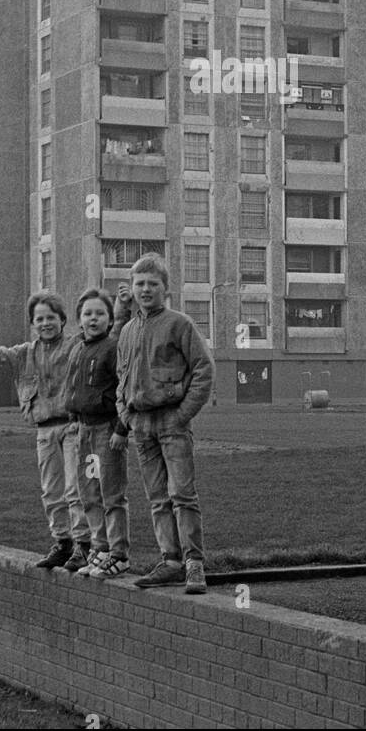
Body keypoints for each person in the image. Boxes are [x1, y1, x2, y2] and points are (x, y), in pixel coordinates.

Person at [0, 292, 91, 571]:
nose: (45, 323)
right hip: (44, 432)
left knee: (75, 488)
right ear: (32, 323)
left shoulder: (76, 346)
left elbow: (106, 339)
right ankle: (62, 542)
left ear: (62, 319)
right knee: (51, 491)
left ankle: (84, 544)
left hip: (73, 428)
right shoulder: (23, 354)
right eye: (39, 319)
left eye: (51, 317)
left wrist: (121, 310)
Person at [114, 252, 215, 593]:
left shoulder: (179, 324)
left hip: (172, 423)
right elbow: (121, 378)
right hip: (142, 427)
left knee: (182, 494)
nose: (145, 290)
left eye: (152, 284)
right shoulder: (127, 330)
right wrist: (125, 415)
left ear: (165, 289)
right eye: (139, 284)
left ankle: (193, 565)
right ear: (131, 287)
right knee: (158, 499)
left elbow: (204, 370)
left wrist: (183, 414)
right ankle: (169, 560)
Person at [63, 286, 133, 578]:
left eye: (99, 313)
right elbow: (75, 387)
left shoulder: (112, 347)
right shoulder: (79, 349)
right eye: (87, 313)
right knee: (90, 492)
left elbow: (125, 388)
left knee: (112, 493)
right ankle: (99, 548)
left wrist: (121, 428)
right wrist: (74, 417)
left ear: (109, 318)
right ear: (79, 319)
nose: (93, 319)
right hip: (85, 432)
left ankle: (119, 554)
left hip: (107, 432)